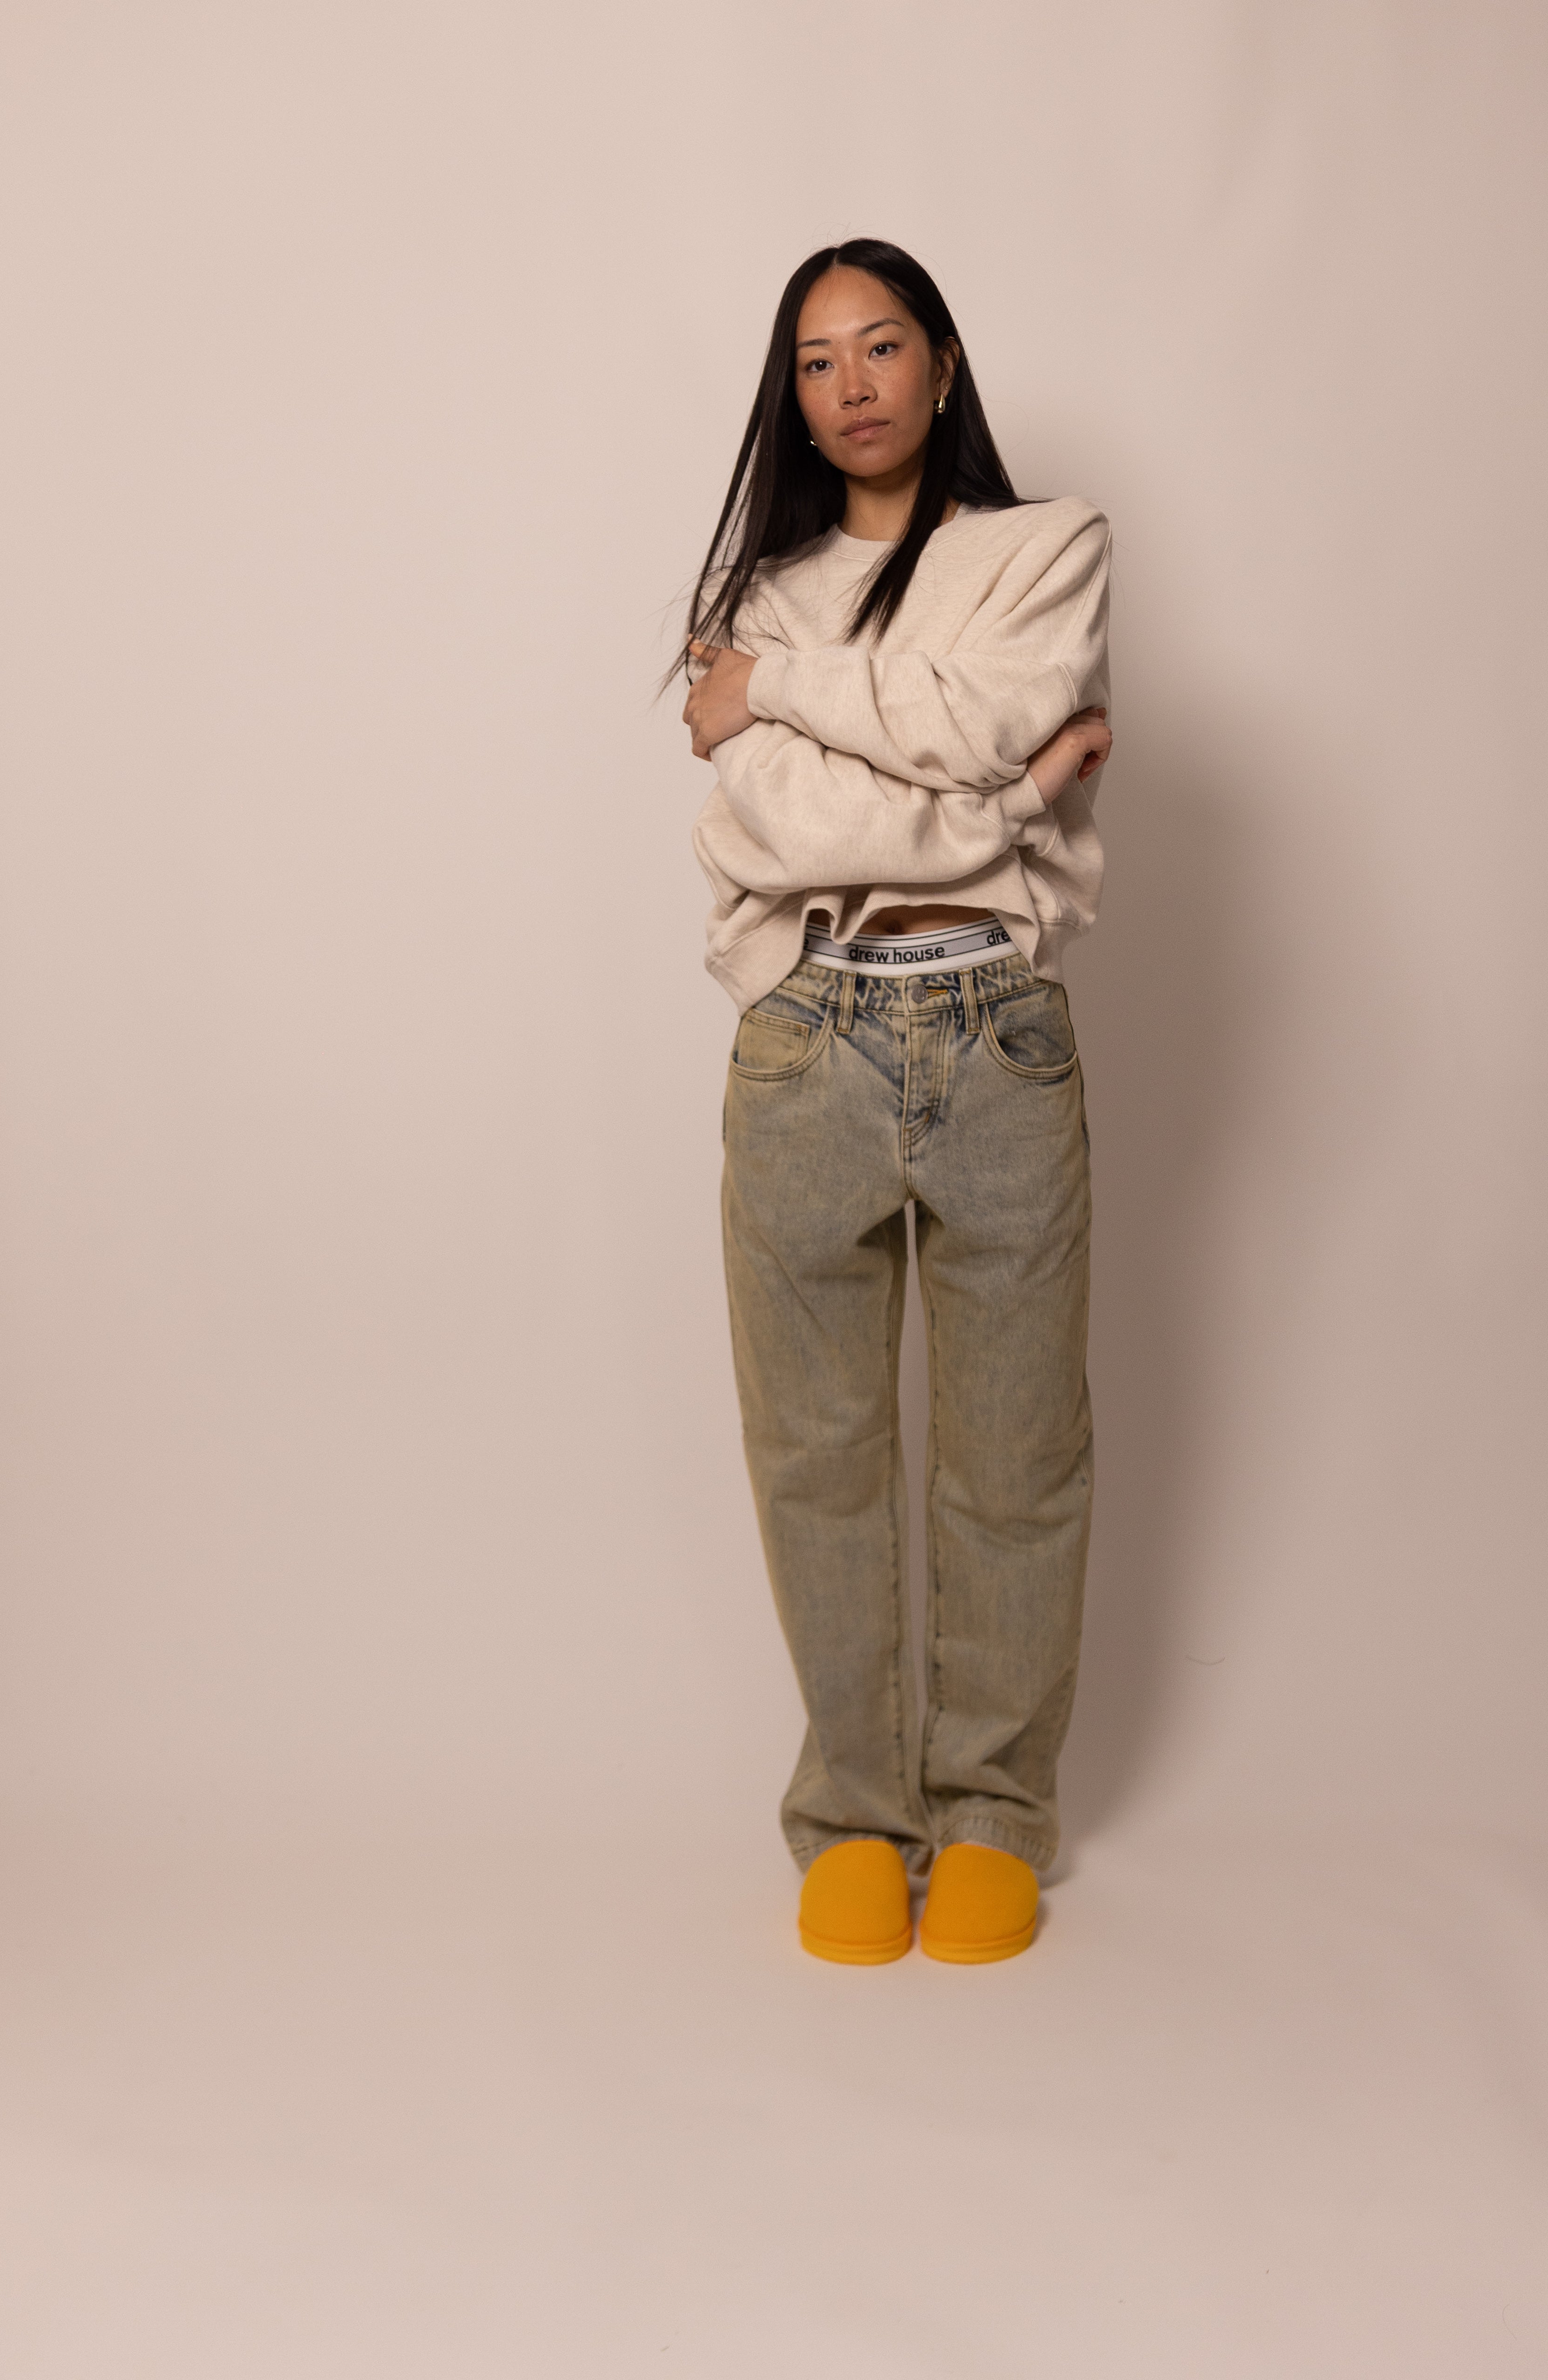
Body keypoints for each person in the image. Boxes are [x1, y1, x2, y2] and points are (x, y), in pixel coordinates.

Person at [679, 239, 1113, 1966]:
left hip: (1000, 1037)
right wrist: (1007, 804)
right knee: (820, 1456)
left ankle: (994, 1811)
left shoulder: (1044, 550)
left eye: (880, 346)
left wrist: (787, 700)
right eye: (815, 360)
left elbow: (984, 711)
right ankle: (858, 1815)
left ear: (940, 361)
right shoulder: (767, 590)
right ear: (792, 398)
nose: (850, 384)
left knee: (1018, 1451)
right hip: (810, 1035)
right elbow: (780, 826)